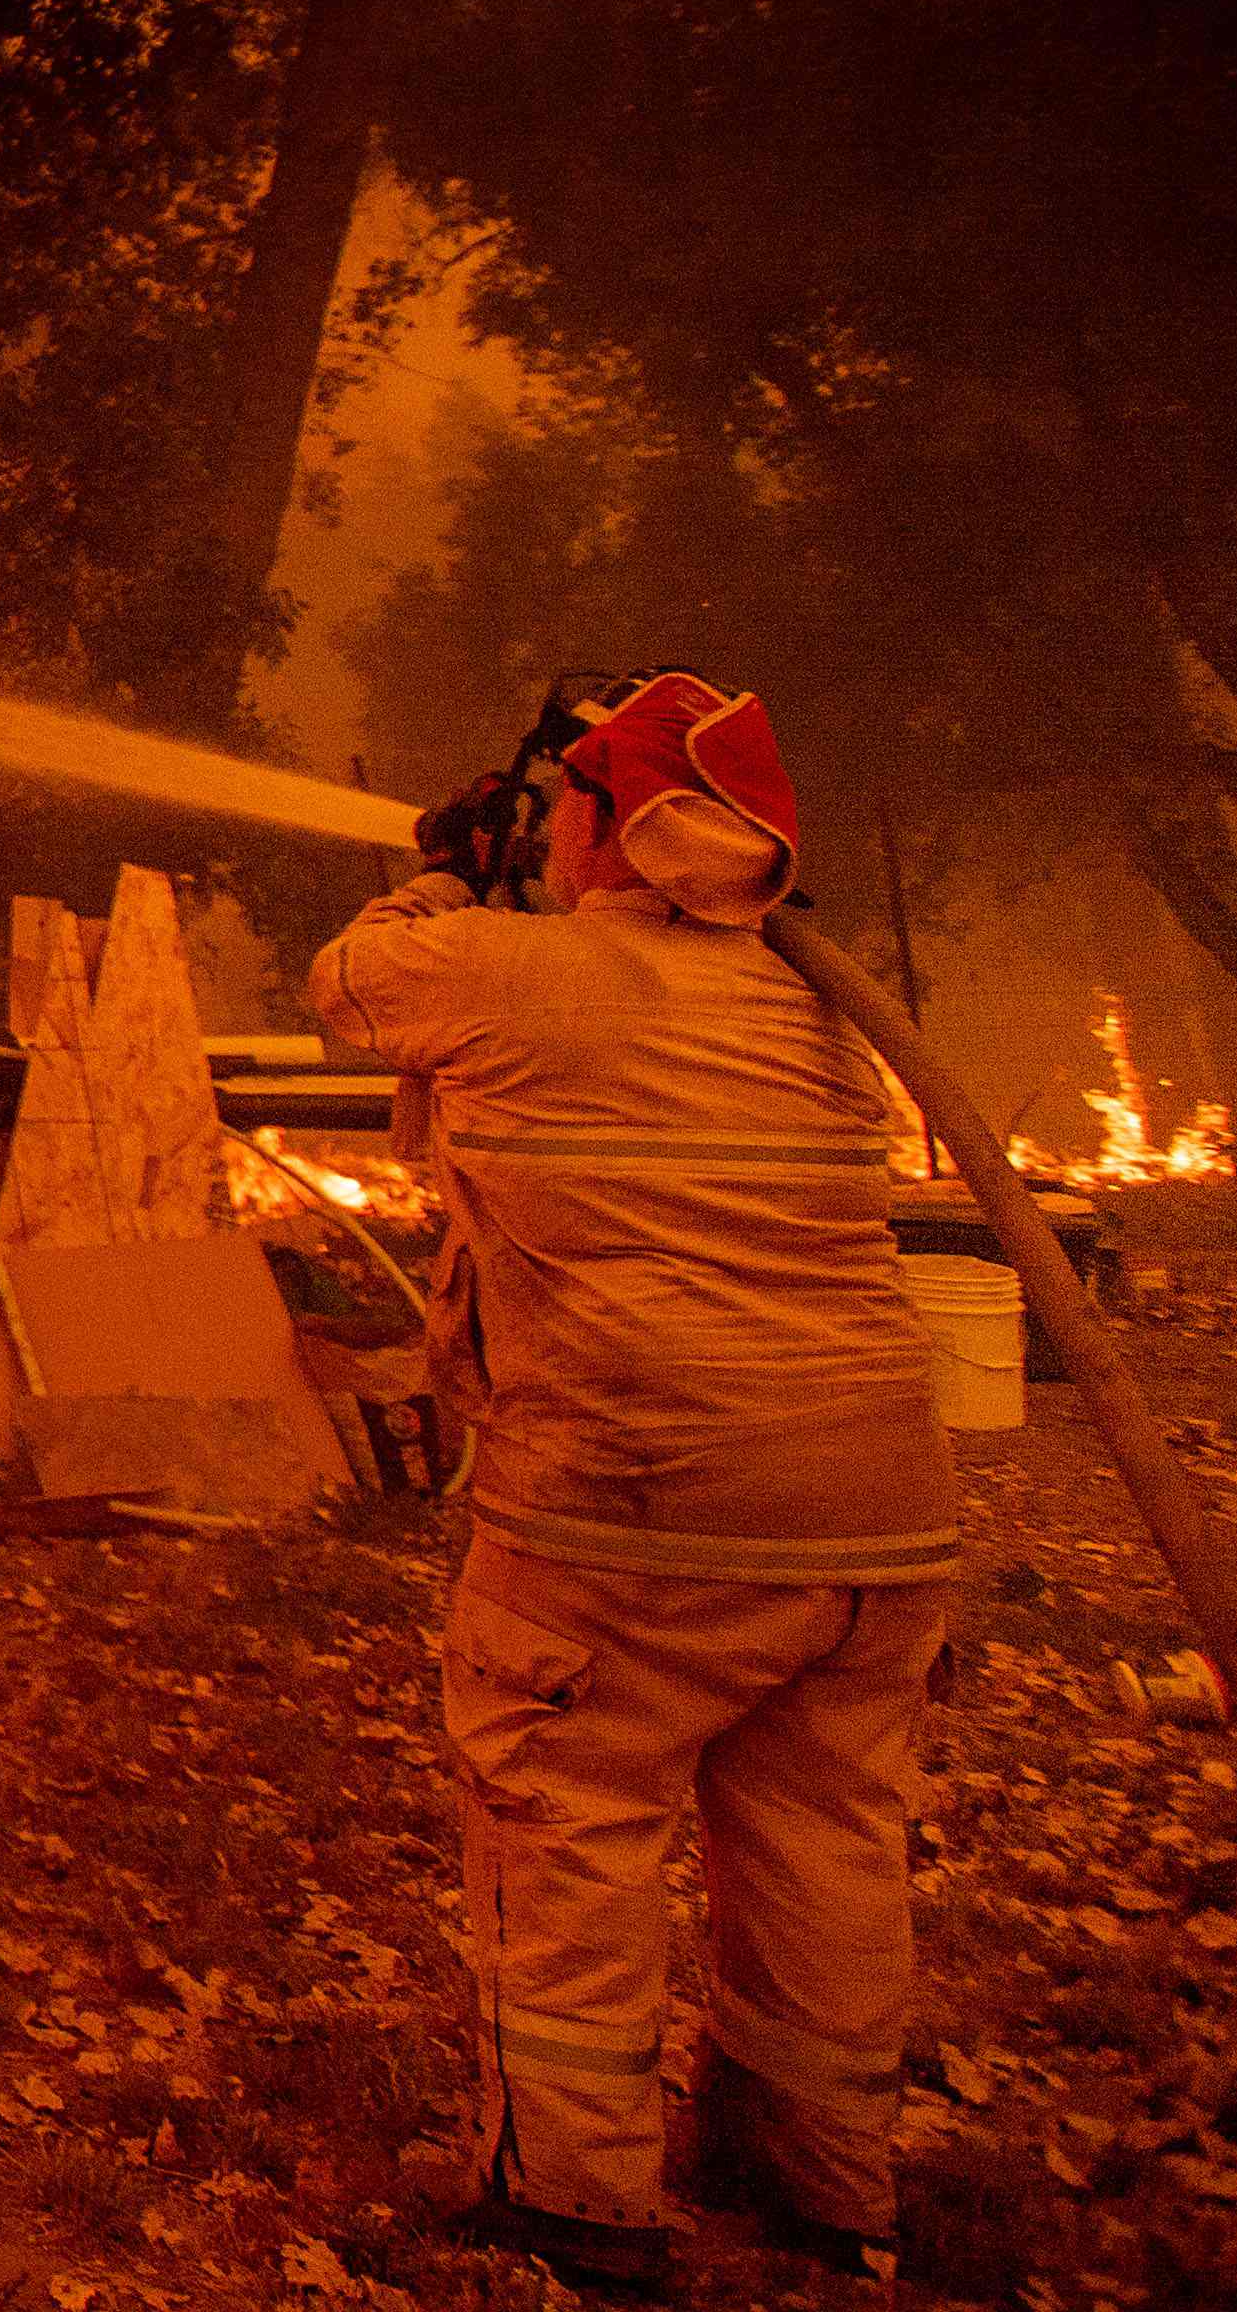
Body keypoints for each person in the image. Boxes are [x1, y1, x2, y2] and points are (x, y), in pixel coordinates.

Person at [307, 673, 952, 2294]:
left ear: (616, 824)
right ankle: (823, 2178)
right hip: (878, 1518)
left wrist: (442, 874)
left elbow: (351, 985)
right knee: (826, 1842)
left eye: (571, 804)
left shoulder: (519, 972)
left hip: (639, 1510)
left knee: (568, 1809)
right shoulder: (818, 1012)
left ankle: (579, 2194)